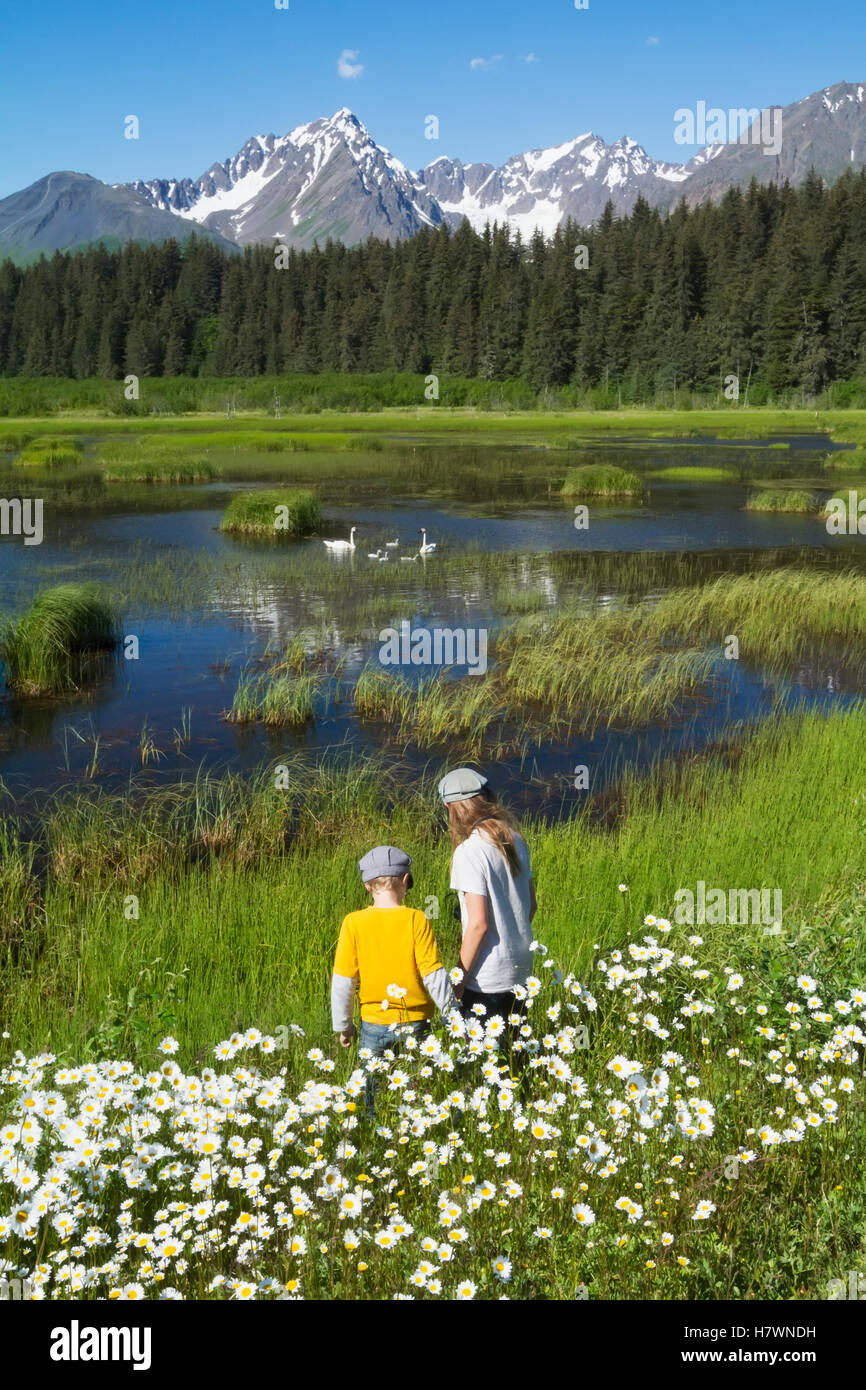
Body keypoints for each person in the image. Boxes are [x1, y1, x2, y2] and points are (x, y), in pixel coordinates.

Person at [331, 845, 457, 1110]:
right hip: (416, 1021)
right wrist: (452, 1017)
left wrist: (344, 1025)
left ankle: (371, 1133)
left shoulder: (353, 923)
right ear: (405, 881)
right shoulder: (416, 919)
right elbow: (434, 974)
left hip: (374, 1023)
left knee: (370, 1090)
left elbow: (344, 980)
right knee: (419, 1086)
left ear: (368, 886)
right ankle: (417, 1126)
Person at [438, 769, 537, 1024]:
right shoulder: (515, 839)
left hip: (487, 977)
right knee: (518, 1052)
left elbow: (478, 924)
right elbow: (531, 905)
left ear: (451, 807)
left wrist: (458, 979)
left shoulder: (469, 851)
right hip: (522, 965)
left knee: (485, 1058)